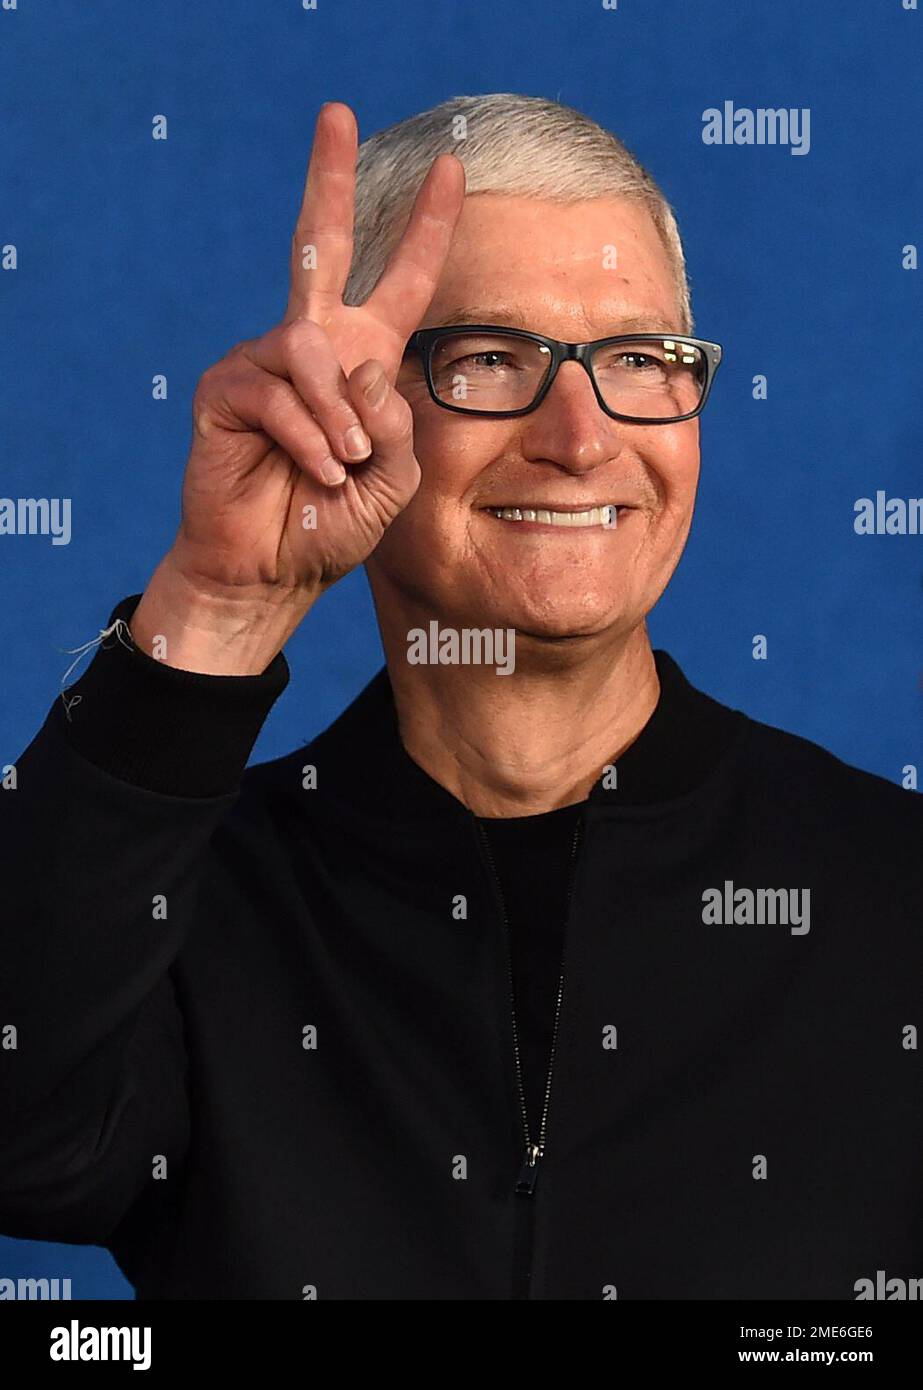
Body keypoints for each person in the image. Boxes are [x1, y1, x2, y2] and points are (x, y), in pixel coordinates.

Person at [1, 94, 920, 1301]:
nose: (580, 436)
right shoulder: (188, 908)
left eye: (639, 359)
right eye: (492, 358)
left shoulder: (889, 891)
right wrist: (216, 611)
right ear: (355, 413)